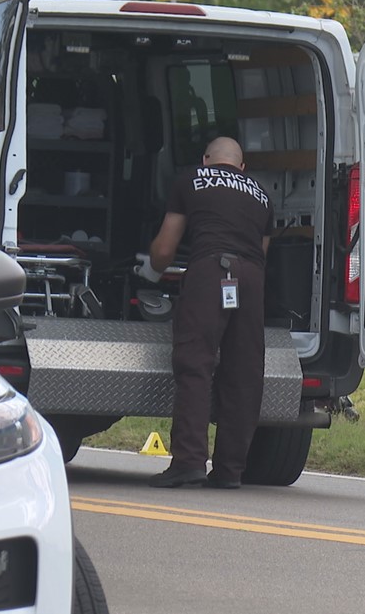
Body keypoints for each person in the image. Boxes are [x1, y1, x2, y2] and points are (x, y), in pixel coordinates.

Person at [136, 137, 273, 489]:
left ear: (205, 160)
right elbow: (261, 252)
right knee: (244, 373)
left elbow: (165, 250)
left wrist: (149, 271)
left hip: (211, 271)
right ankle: (230, 471)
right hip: (252, 280)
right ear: (242, 167)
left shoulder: (191, 180)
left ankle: (189, 462)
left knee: (195, 364)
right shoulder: (261, 194)